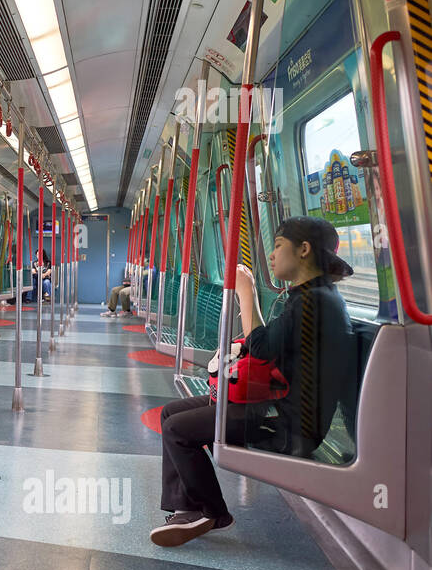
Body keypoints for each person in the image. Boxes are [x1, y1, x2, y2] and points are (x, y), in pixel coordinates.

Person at [149, 216, 355, 547]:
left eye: (276, 246)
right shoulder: (308, 297)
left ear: (303, 250)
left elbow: (262, 348)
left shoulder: (314, 303)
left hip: (288, 424)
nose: (270, 256)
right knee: (171, 414)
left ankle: (212, 511)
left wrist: (245, 292)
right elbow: (268, 344)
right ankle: (187, 507)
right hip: (272, 402)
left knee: (178, 431)